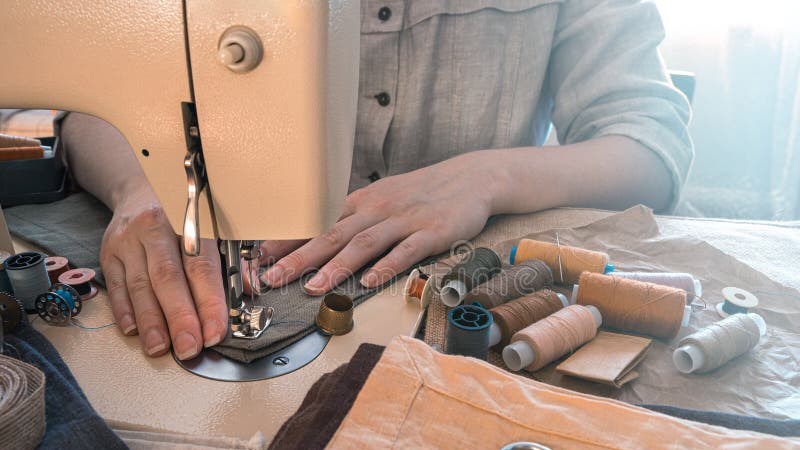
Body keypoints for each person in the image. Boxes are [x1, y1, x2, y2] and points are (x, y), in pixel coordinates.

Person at [62, 0, 692, 361]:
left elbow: (648, 153)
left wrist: (485, 176)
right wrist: (140, 187)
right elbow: (85, 101)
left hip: (455, 312)